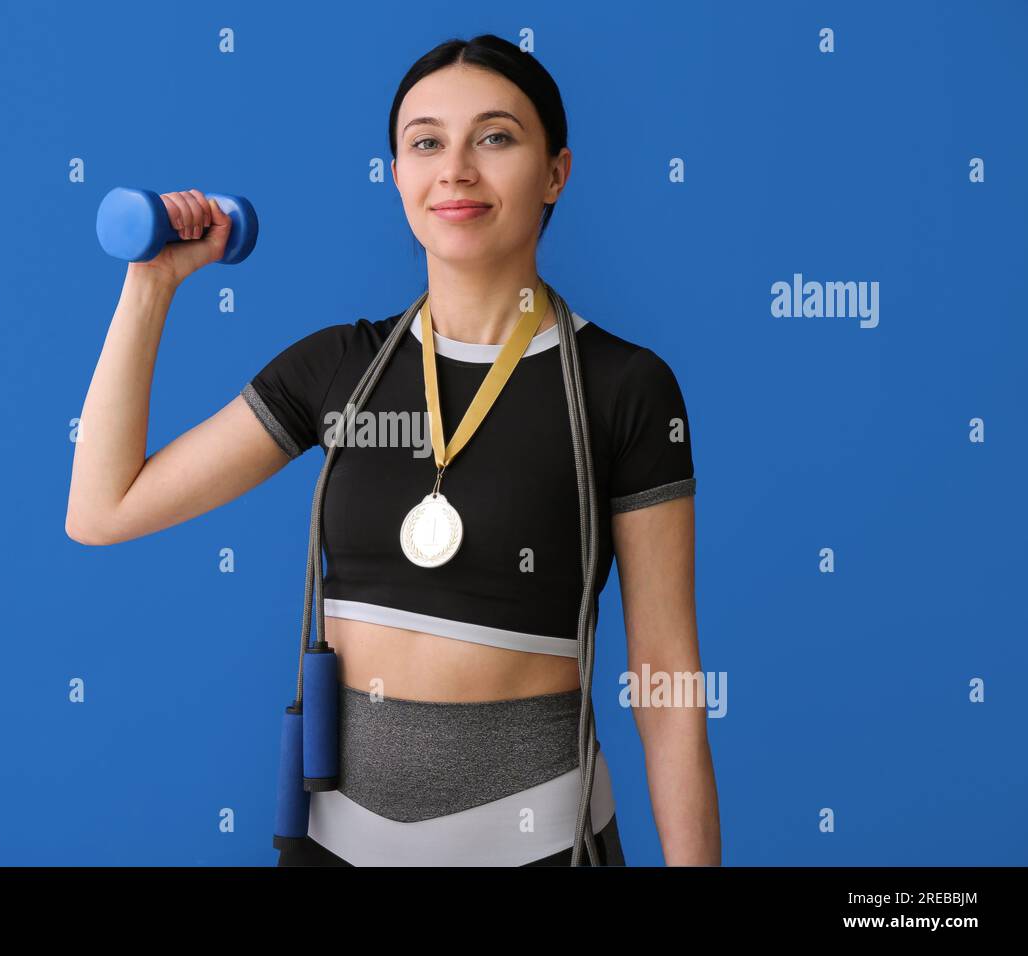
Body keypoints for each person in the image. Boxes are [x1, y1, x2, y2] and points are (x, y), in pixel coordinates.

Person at [65, 33, 721, 867]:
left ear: (556, 171)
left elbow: (667, 677)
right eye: (425, 143)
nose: (455, 169)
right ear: (398, 174)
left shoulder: (625, 387)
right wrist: (150, 286)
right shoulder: (337, 369)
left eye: (495, 137)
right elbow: (101, 509)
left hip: (540, 846)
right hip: (335, 849)